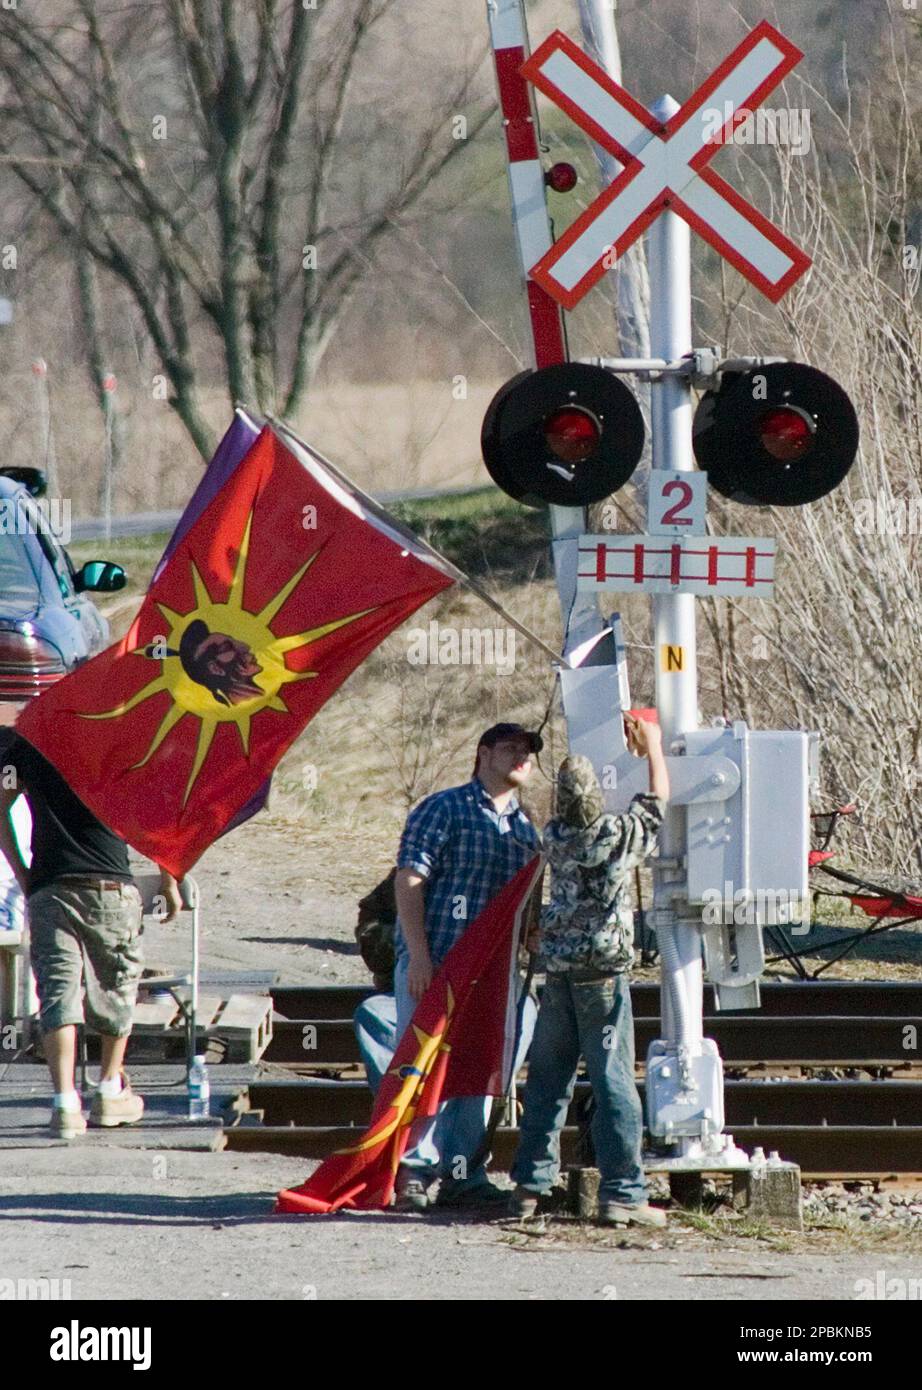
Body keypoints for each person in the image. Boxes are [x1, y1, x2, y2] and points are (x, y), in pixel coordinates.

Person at [511, 715, 669, 1227]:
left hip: (557, 973)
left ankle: (529, 1190)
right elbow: (657, 807)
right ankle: (623, 1192)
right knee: (614, 1083)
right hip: (603, 978)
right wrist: (655, 749)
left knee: (548, 1083)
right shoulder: (616, 835)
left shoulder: (553, 837)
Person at [0, 730, 182, 1138]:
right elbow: (164, 815)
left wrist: (24, 874)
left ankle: (64, 1103)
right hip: (111, 888)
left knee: (58, 992)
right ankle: (108, 1089)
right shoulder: (129, 741)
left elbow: (0, 803)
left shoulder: (32, 743)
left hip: (51, 889)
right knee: (116, 989)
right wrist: (170, 881)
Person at [393, 722, 543, 1212]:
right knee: (422, 1065)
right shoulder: (444, 808)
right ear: (483, 754)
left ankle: (463, 1173)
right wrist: (418, 955)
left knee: (480, 1071)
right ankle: (413, 1169)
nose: (522, 757)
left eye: (528, 751)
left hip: (493, 976)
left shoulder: (527, 829)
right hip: (436, 963)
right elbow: (411, 879)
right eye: (511, 749)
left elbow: (525, 906)